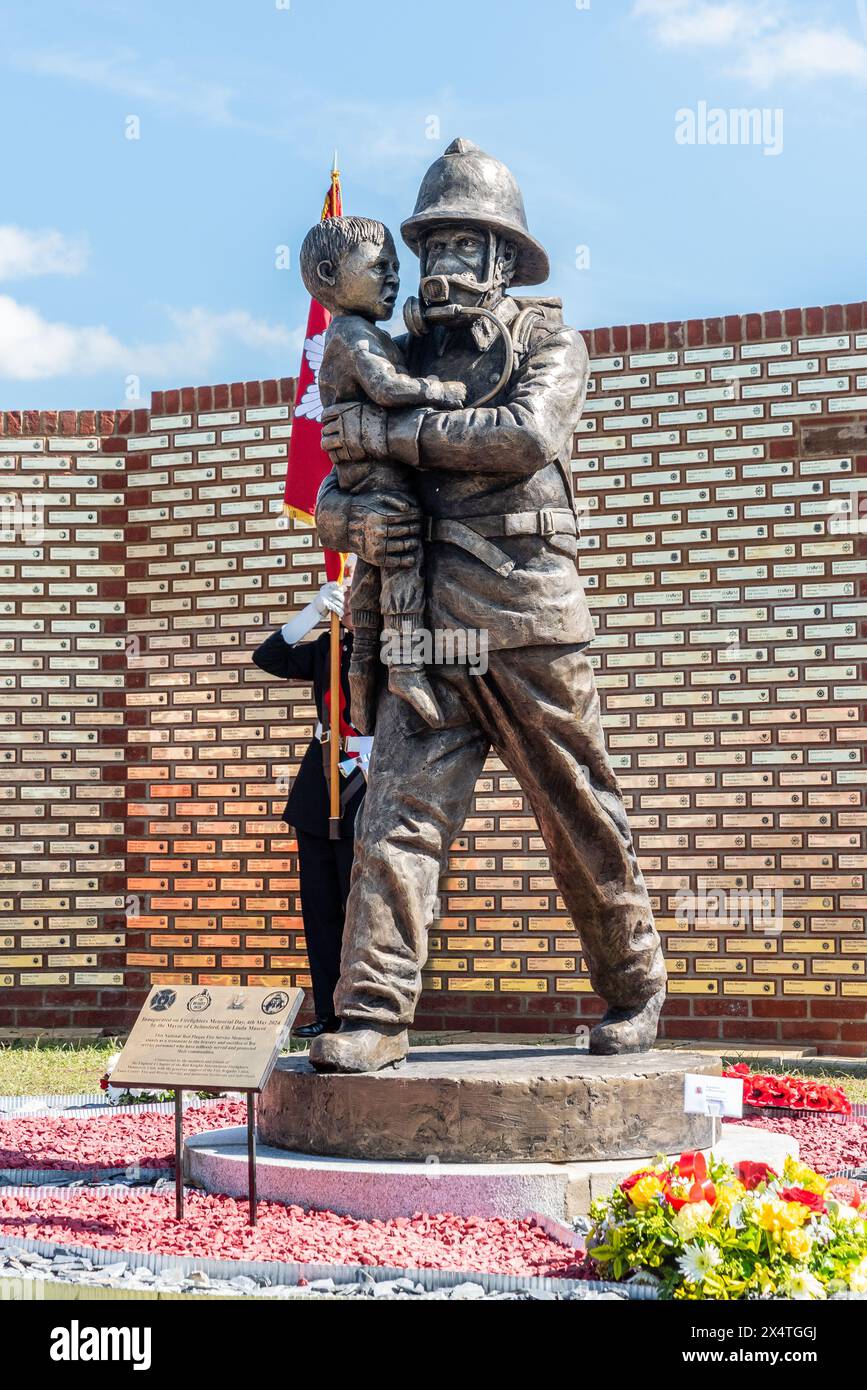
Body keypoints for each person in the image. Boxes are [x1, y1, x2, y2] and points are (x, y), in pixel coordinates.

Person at [309, 139, 667, 1073]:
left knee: (578, 811)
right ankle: (372, 1014)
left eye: (467, 247)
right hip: (426, 627)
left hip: (527, 620)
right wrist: (351, 521)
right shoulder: (384, 354)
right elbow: (335, 494)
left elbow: (523, 435)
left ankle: (634, 987)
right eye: (432, 249)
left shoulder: (548, 342)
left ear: (505, 259)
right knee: (397, 820)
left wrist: (396, 431)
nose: (443, 269)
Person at [298, 214, 466, 733]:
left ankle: (364, 690)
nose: (394, 277)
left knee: (368, 588)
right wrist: (439, 391)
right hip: (375, 480)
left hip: (369, 472)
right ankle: (409, 667)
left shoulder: (364, 333)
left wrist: (415, 329)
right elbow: (390, 388)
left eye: (396, 267)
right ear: (330, 275)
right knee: (401, 561)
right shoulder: (349, 334)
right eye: (378, 267)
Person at [251, 566, 369, 1038]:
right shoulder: (329, 646)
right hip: (320, 785)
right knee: (320, 908)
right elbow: (270, 657)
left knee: (358, 907)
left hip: (368, 782)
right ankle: (328, 1013)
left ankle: (362, 1011)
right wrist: (314, 611)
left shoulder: (394, 648)